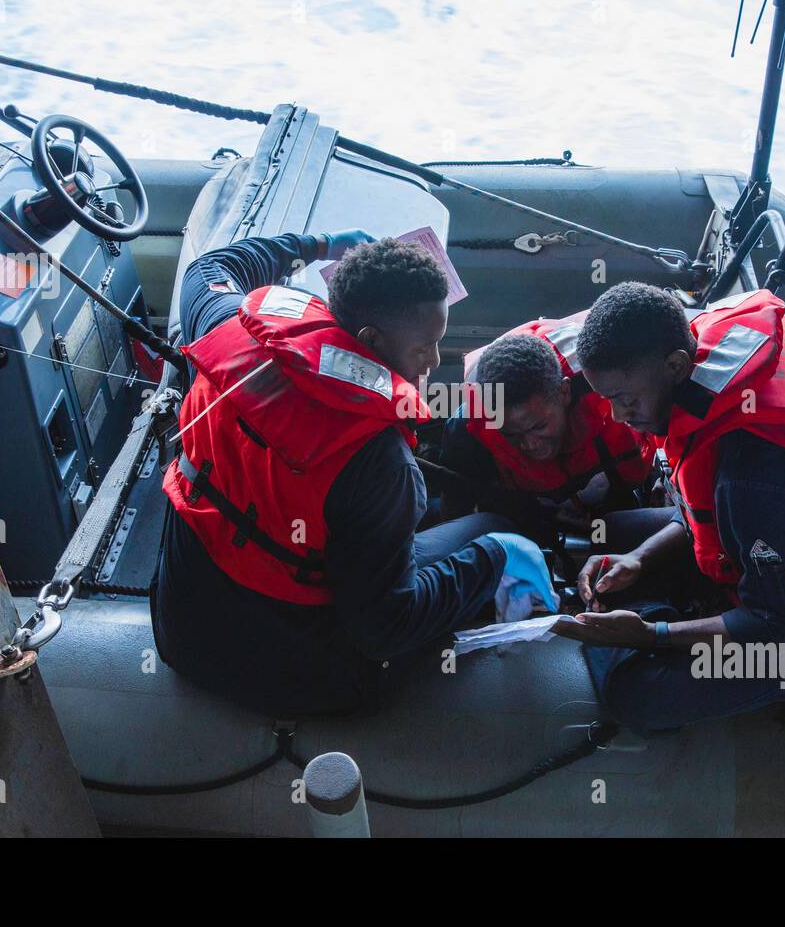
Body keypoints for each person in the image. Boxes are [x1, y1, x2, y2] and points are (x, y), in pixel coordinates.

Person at [152, 230, 554, 715]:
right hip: (290, 676)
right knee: (494, 530)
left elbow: (210, 268)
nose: (434, 360)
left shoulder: (225, 327)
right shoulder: (382, 464)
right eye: (425, 346)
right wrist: (494, 559)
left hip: (179, 625)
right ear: (369, 341)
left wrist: (321, 244)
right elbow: (385, 630)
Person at [553, 282, 785, 733]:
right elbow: (701, 510)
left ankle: (663, 621)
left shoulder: (752, 478)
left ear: (674, 365)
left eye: (626, 399)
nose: (617, 416)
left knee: (638, 695)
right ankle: (671, 610)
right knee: (613, 535)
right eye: (607, 399)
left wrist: (654, 636)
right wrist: (639, 559)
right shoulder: (710, 373)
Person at [437, 312, 672, 550]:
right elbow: (455, 514)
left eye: (538, 426)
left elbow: (669, 416)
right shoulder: (468, 427)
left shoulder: (610, 387)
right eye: (511, 434)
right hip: (531, 516)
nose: (530, 444)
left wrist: (669, 478)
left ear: (564, 392)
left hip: (618, 503)